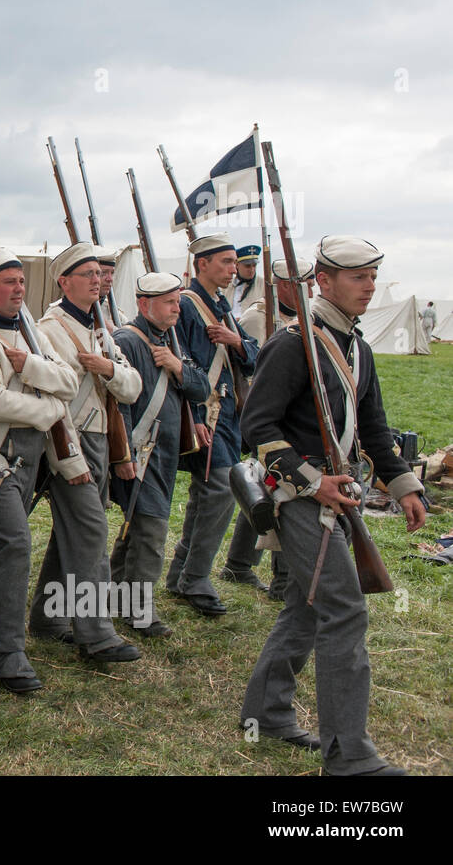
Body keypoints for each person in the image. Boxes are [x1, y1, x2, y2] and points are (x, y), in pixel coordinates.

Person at [240, 236, 426, 775]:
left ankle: (268, 714)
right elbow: (258, 427)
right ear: (323, 281)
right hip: (299, 497)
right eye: (357, 277)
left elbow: (372, 428)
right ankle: (348, 753)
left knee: (307, 605)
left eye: (373, 276)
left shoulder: (355, 347)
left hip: (334, 496)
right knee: (344, 610)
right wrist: (311, 479)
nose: (370, 286)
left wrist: (405, 485)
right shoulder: (293, 343)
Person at [0, 248, 78, 691]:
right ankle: (11, 655)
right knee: (17, 546)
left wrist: (37, 371)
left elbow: (71, 381)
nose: (19, 289)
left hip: (29, 458)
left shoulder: (31, 333)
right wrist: (47, 412)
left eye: (21, 281)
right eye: (8, 282)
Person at [30, 242, 143, 661]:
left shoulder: (100, 327)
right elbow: (55, 399)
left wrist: (109, 368)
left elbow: (131, 388)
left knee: (73, 532)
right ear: (64, 282)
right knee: (92, 532)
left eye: (100, 274)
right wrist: (69, 456)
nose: (98, 281)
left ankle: (48, 616)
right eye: (88, 274)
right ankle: (96, 635)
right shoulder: (50, 329)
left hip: (98, 439)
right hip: (68, 441)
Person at [108, 272, 209, 637]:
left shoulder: (172, 341)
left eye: (177, 301)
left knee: (139, 527)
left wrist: (176, 365)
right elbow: (120, 402)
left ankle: (117, 596)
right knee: (150, 529)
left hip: (163, 453)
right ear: (144, 304)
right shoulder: (127, 341)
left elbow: (202, 388)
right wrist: (123, 455)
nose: (176, 308)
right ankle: (139, 611)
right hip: (140, 451)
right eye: (169, 302)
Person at [167, 232, 258, 617]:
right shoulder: (186, 306)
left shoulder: (221, 305)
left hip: (227, 417)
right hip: (206, 415)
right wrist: (198, 415)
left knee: (211, 495)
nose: (232, 270)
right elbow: (182, 363)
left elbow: (253, 353)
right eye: (225, 262)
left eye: (234, 263)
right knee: (220, 491)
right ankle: (196, 578)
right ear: (201, 264)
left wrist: (234, 341)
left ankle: (182, 575)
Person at [220, 258, 314, 598]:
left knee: (264, 490)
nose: (312, 288)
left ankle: (240, 563)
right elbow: (252, 367)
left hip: (290, 415)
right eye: (306, 282)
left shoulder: (301, 318)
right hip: (271, 417)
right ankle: (282, 580)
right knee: (284, 491)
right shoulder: (259, 317)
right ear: (285, 284)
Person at [229, 244, 262, 319]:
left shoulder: (263, 285)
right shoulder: (226, 285)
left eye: (254, 265)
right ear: (237, 265)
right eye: (247, 266)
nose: (252, 270)